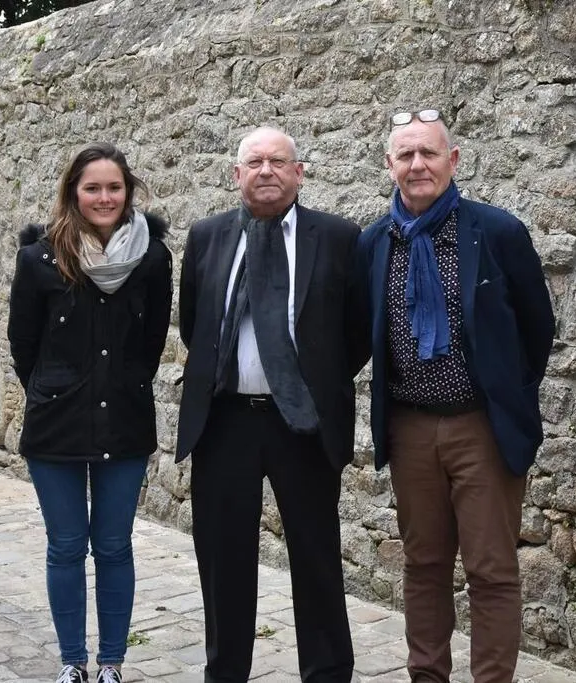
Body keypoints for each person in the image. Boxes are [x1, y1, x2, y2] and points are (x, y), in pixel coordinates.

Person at [352, 109, 556, 683]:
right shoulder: (374, 242)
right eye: (406, 155)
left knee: (491, 570)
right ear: (389, 165)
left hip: (481, 427)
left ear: (453, 160)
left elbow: (537, 328)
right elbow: (362, 331)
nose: (418, 165)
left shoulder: (496, 232)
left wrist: (505, 395)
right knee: (424, 566)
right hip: (410, 425)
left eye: (429, 153)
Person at [175, 126, 360, 683]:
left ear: (299, 173)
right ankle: (225, 671)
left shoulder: (338, 237)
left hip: (302, 422)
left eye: (279, 161)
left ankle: (327, 673)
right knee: (223, 559)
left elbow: (354, 333)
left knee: (316, 557)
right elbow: (195, 326)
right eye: (253, 162)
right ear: (236, 175)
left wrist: (309, 385)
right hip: (225, 421)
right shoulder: (206, 236)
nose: (266, 171)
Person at [7, 142, 172, 683]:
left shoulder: (152, 258)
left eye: (114, 187)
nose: (104, 197)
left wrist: (121, 384)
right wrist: (56, 390)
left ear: (128, 192)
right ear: (74, 193)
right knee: (67, 546)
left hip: (124, 421)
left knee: (114, 545)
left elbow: (150, 344)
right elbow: (23, 346)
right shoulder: (38, 259)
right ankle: (73, 660)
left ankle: (111, 662)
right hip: (56, 424)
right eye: (92, 187)